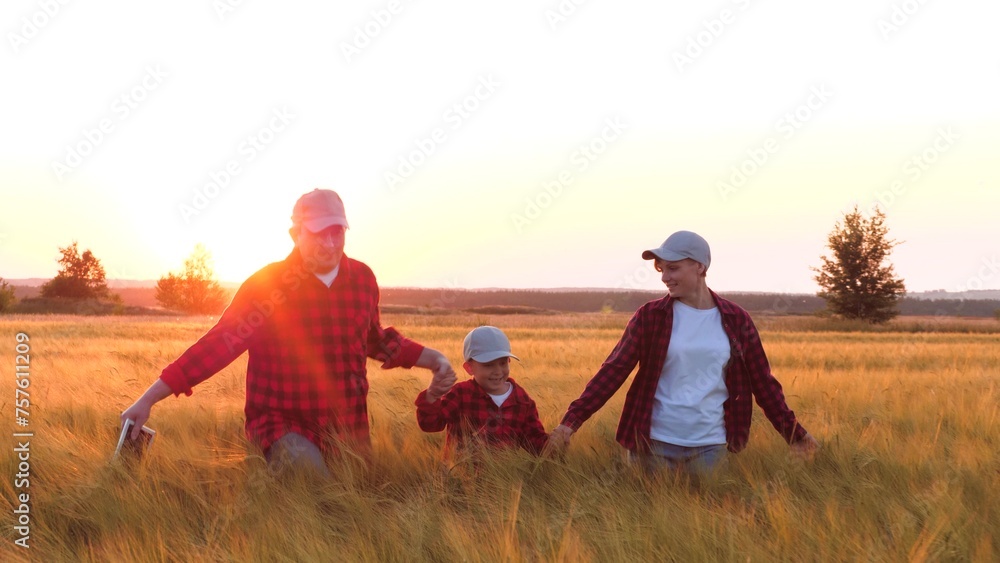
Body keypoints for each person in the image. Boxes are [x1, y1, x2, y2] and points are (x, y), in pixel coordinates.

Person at [120, 189, 456, 476]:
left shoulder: (362, 279)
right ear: (295, 234)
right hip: (282, 422)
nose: (329, 242)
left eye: (337, 231)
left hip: (347, 426)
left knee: (350, 507)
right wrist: (148, 398)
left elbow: (374, 339)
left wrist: (435, 360)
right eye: (319, 232)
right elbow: (218, 345)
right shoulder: (268, 286)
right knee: (310, 479)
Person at [548, 231, 818, 475]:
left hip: (711, 449)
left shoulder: (737, 320)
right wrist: (570, 423)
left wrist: (795, 434)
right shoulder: (651, 317)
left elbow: (763, 383)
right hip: (651, 447)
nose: (665, 277)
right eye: (662, 270)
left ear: (700, 266)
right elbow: (613, 371)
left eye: (673, 268)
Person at [415, 326, 548, 457]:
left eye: (503, 363)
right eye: (488, 365)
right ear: (469, 368)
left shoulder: (521, 400)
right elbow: (430, 424)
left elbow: (535, 443)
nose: (497, 371)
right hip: (460, 476)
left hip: (503, 477)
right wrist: (432, 395)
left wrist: (554, 443)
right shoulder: (461, 394)